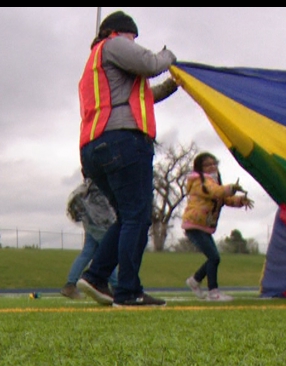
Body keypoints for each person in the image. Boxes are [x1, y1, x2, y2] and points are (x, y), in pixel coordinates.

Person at [75, 11, 178, 307]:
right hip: (124, 142)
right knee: (138, 216)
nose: (135, 43)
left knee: (127, 216)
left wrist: (173, 85)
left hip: (95, 147)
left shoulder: (94, 65)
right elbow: (149, 63)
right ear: (122, 32)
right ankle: (128, 291)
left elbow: (139, 97)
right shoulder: (114, 43)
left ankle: (96, 276)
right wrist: (169, 56)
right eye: (134, 37)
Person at [181, 152, 254, 302]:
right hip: (194, 224)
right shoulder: (200, 182)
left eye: (214, 164)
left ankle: (195, 280)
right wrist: (231, 188)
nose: (213, 167)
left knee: (213, 257)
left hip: (203, 226)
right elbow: (214, 192)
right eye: (208, 165)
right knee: (214, 257)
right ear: (200, 168)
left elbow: (224, 199)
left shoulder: (213, 183)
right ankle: (213, 292)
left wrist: (240, 200)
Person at [62, 177, 118, 299]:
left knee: (87, 253)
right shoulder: (102, 180)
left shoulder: (91, 178)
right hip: (100, 220)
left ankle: (70, 285)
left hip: (89, 218)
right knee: (109, 252)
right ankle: (116, 287)